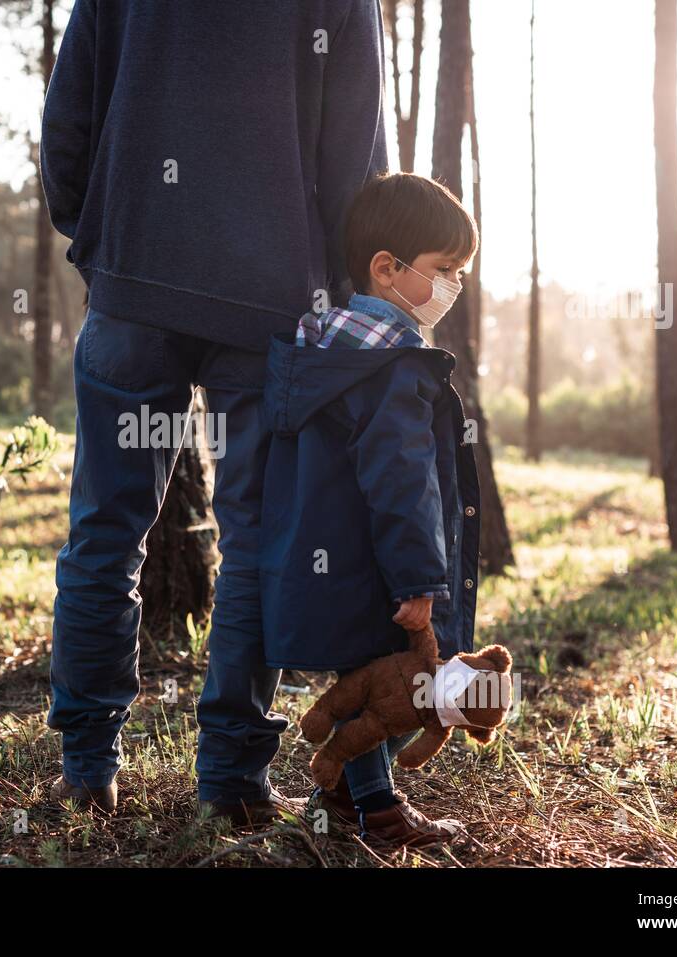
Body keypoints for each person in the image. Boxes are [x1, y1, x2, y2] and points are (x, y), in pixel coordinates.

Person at [40, 0, 389, 826]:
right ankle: (232, 779)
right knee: (260, 541)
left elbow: (68, 122)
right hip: (270, 301)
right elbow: (355, 158)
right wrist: (340, 292)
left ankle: (88, 769)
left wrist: (103, 242)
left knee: (103, 533)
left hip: (133, 287)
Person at [258, 171, 482, 845]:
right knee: (391, 687)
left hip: (334, 557)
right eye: (446, 270)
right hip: (382, 568)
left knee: (362, 684)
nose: (455, 286)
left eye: (463, 273)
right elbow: (402, 479)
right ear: (387, 268)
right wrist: (419, 580)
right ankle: (376, 807)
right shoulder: (394, 367)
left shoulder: (324, 351)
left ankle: (343, 803)